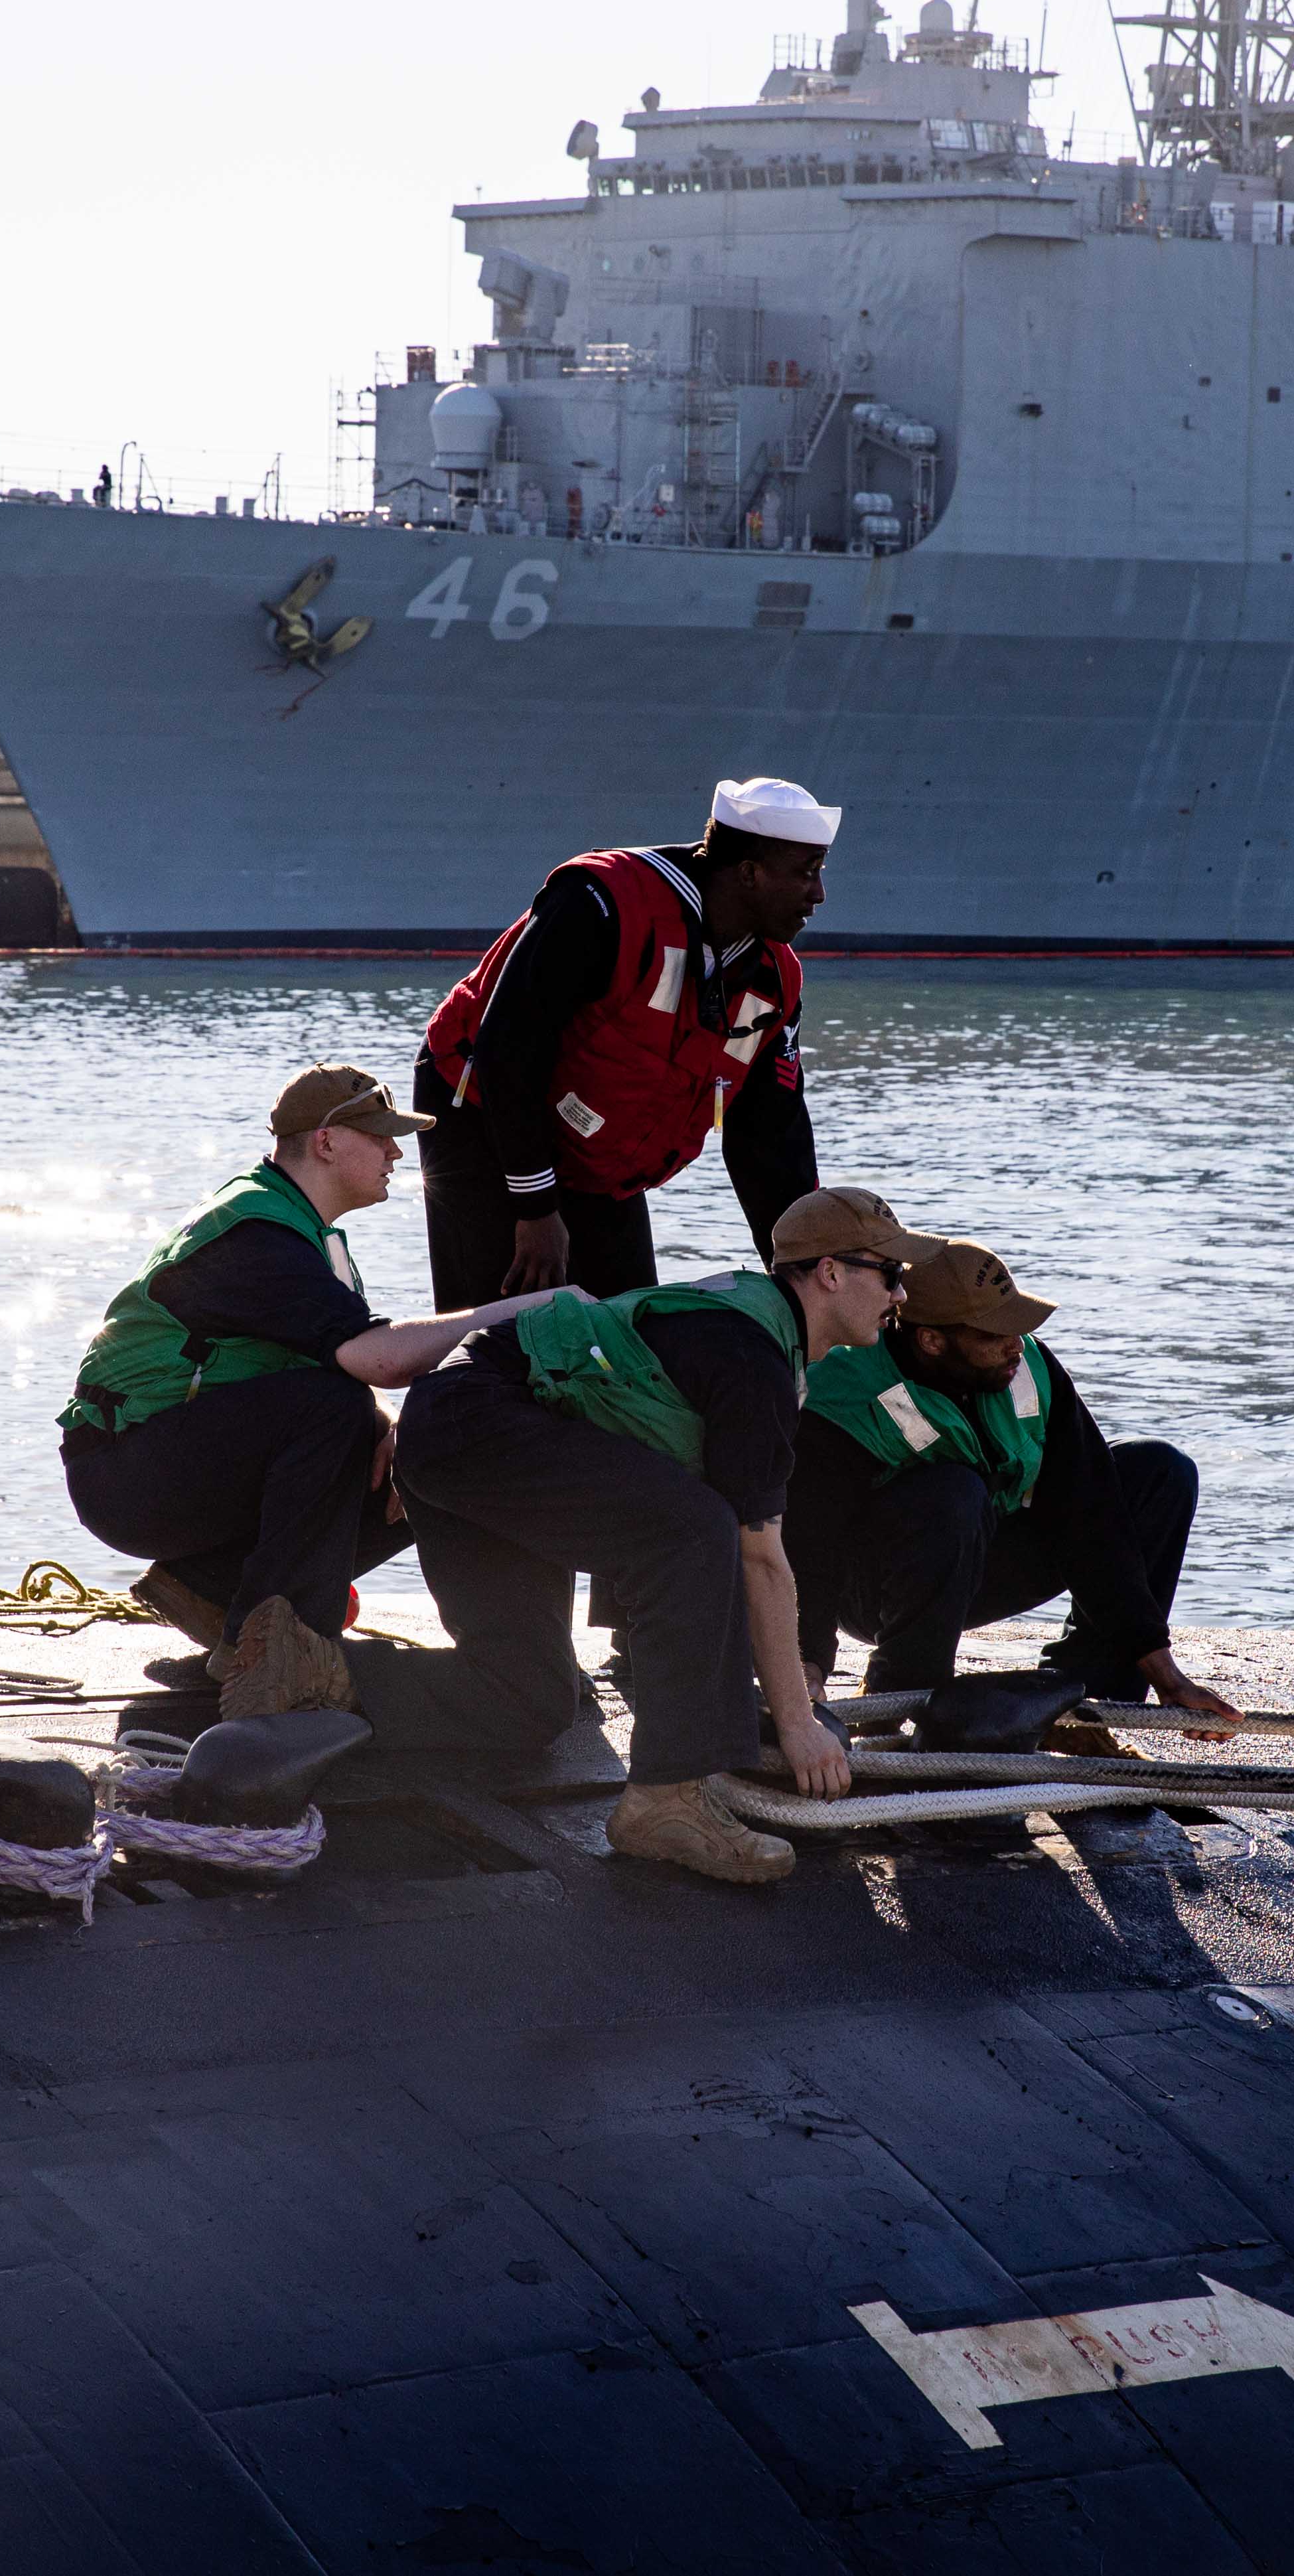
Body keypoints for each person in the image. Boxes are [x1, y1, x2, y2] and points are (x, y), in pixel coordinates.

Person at [286, 1187, 942, 1888]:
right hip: (478, 1423)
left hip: (462, 1423)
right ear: (831, 1273)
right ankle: (668, 1798)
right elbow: (760, 1560)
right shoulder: (753, 1358)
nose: (901, 1295)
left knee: (530, 1699)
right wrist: (799, 1722)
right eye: (890, 1274)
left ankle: (314, 1670)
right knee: (697, 1532)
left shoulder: (749, 1320)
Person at [56, 1062, 573, 1673]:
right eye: (380, 1136)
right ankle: (276, 1648)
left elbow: (352, 1368)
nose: (396, 1153)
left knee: (422, 1447)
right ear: (326, 1142)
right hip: (123, 1472)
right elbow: (377, 1360)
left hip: (176, 1455)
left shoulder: (308, 1229)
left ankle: (214, 1588)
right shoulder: (257, 1228)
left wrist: (397, 1430)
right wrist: (535, 1308)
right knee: (337, 1409)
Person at [787, 1237, 1240, 1730]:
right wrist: (807, 1667)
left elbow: (1092, 1515)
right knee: (955, 1493)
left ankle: (1083, 1705)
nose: (1017, 1345)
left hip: (978, 1553)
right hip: (875, 1585)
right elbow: (810, 1546)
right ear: (932, 1341)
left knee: (1160, 1472)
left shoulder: (1027, 1367)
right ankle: (900, 1697)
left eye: (1019, 1326)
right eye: (997, 1333)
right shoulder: (844, 1392)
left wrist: (1166, 1674)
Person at [414, 777, 833, 1308]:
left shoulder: (776, 982)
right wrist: (536, 1208)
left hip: (598, 1158)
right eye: (807, 872)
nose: (819, 894)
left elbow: (771, 1139)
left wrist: (805, 1275)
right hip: (479, 1110)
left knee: (625, 1330)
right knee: (498, 1328)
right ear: (750, 874)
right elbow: (508, 1048)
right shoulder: (604, 904)